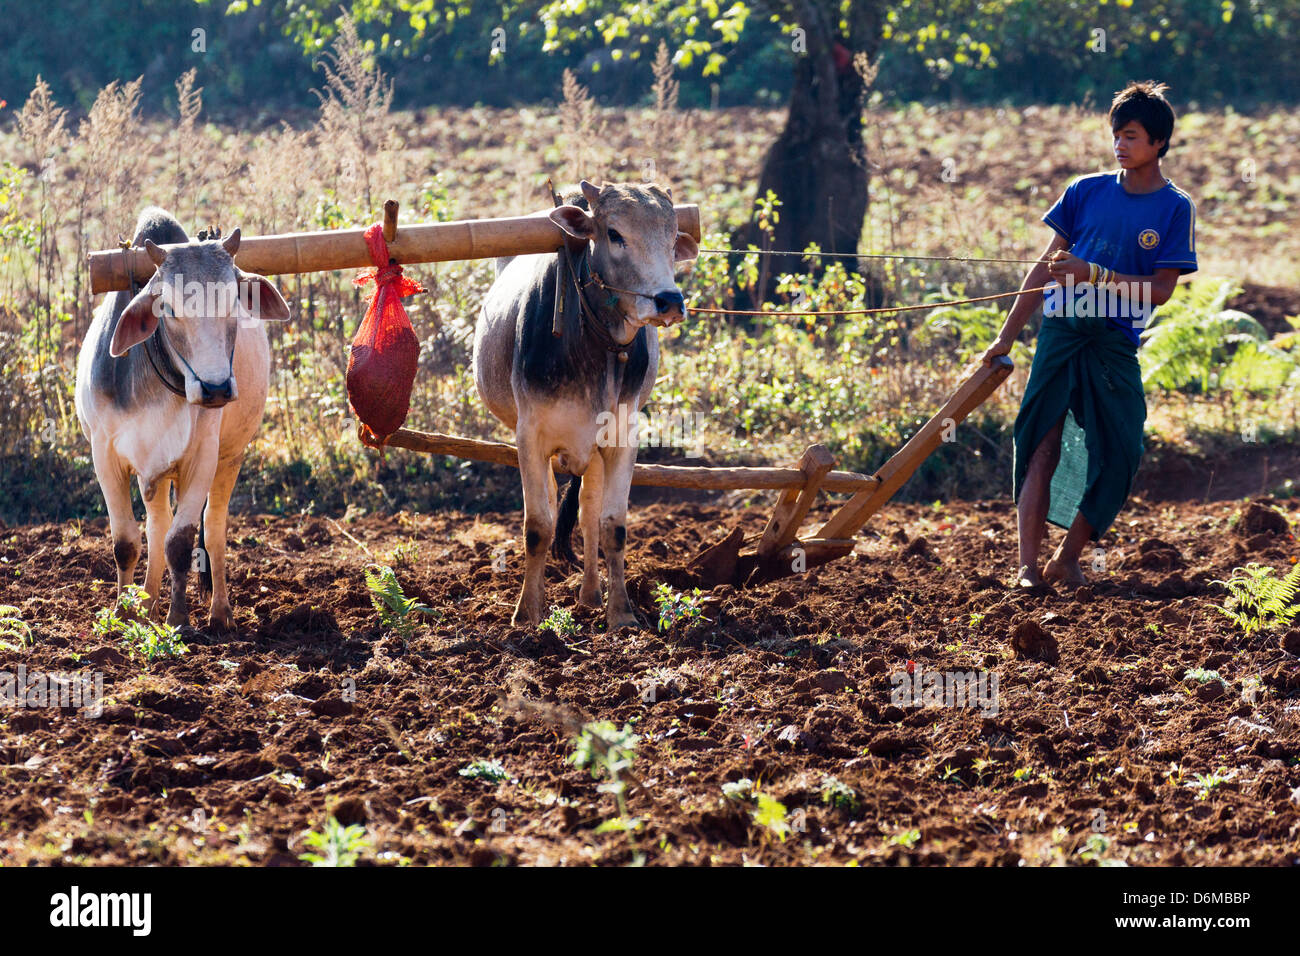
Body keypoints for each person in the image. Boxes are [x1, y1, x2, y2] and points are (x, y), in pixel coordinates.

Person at [980, 81, 1198, 588]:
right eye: (1116, 135)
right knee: (1041, 443)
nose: (1120, 144)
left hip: (1114, 341)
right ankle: (1027, 569)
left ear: (1160, 143)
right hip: (1062, 331)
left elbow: (1161, 291)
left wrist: (1094, 274)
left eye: (1132, 135)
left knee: (1121, 451)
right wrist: (1006, 337)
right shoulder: (1084, 191)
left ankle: (1067, 556)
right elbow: (1044, 267)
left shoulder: (1174, 208)